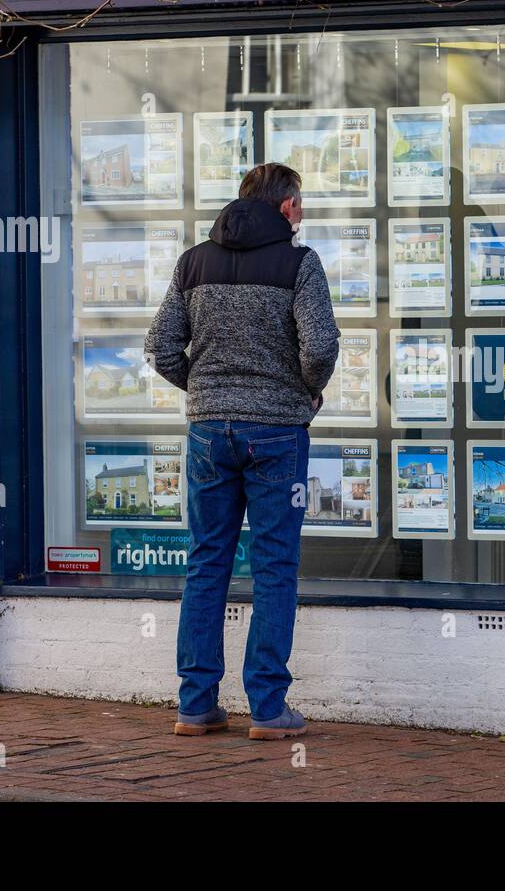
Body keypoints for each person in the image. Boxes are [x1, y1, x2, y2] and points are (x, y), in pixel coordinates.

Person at [145, 162, 339, 740]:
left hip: (209, 432)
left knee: (207, 562)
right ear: (285, 208)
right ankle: (268, 709)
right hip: (278, 431)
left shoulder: (193, 262)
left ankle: (195, 705)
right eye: (299, 204)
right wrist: (305, 389)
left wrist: (204, 390)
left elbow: (160, 347)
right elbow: (321, 344)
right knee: (275, 566)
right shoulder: (299, 263)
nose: (302, 214)